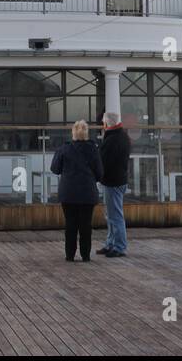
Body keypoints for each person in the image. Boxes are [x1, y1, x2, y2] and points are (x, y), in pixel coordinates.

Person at [51, 120, 104, 261]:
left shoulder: (64, 148)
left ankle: (70, 255)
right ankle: (85, 255)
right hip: (87, 193)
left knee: (70, 224)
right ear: (86, 133)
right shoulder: (93, 149)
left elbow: (55, 169)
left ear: (73, 133)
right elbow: (100, 173)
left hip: (68, 192)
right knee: (86, 225)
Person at [96, 111, 130, 258]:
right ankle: (111, 243)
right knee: (111, 214)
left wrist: (98, 175)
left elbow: (103, 161)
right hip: (119, 179)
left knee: (114, 215)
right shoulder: (123, 136)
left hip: (112, 181)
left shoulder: (111, 140)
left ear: (106, 124)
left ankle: (119, 246)